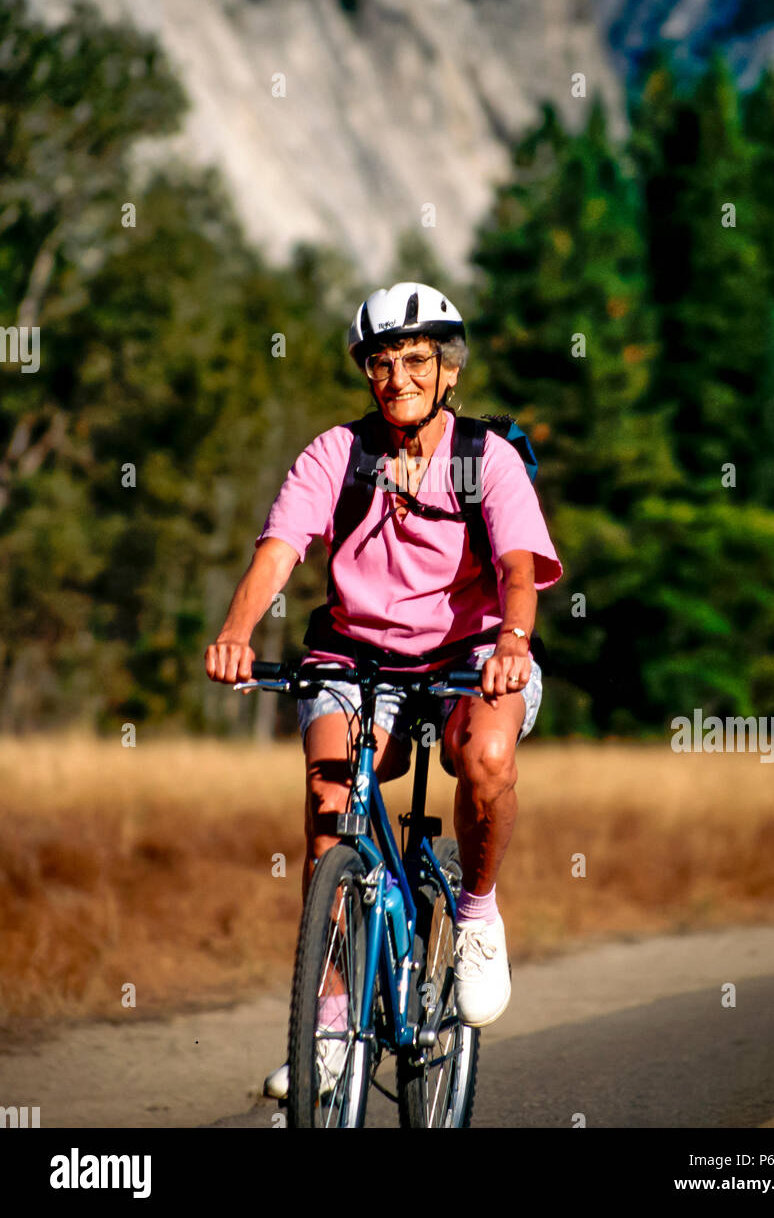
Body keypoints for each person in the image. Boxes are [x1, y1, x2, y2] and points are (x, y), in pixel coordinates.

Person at [205, 282, 562, 1100]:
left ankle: (474, 913)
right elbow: (278, 550)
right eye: (380, 362)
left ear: (445, 370)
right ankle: (328, 1033)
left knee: (485, 758)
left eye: (414, 360)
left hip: (473, 655)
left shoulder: (486, 458)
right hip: (356, 656)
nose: (395, 376)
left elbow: (517, 569)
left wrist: (512, 644)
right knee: (331, 824)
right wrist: (235, 633)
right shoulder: (337, 454)